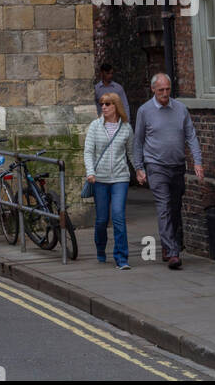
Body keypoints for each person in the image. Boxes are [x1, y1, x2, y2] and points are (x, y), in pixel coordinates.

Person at [134, 73, 204, 270]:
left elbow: (191, 136)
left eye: (167, 90)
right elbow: (138, 141)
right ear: (153, 90)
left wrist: (197, 162)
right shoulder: (144, 111)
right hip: (156, 166)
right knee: (164, 206)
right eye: (161, 90)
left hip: (177, 166)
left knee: (174, 208)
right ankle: (173, 253)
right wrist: (139, 168)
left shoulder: (180, 108)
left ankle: (167, 245)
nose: (165, 93)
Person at [84, 94, 135, 269]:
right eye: (102, 104)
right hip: (100, 179)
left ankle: (121, 258)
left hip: (120, 178)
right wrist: (90, 172)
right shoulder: (95, 126)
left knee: (119, 216)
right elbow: (88, 152)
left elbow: (131, 153)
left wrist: (140, 171)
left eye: (107, 104)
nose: (103, 107)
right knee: (101, 220)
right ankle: (100, 249)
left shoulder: (126, 128)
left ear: (116, 106)